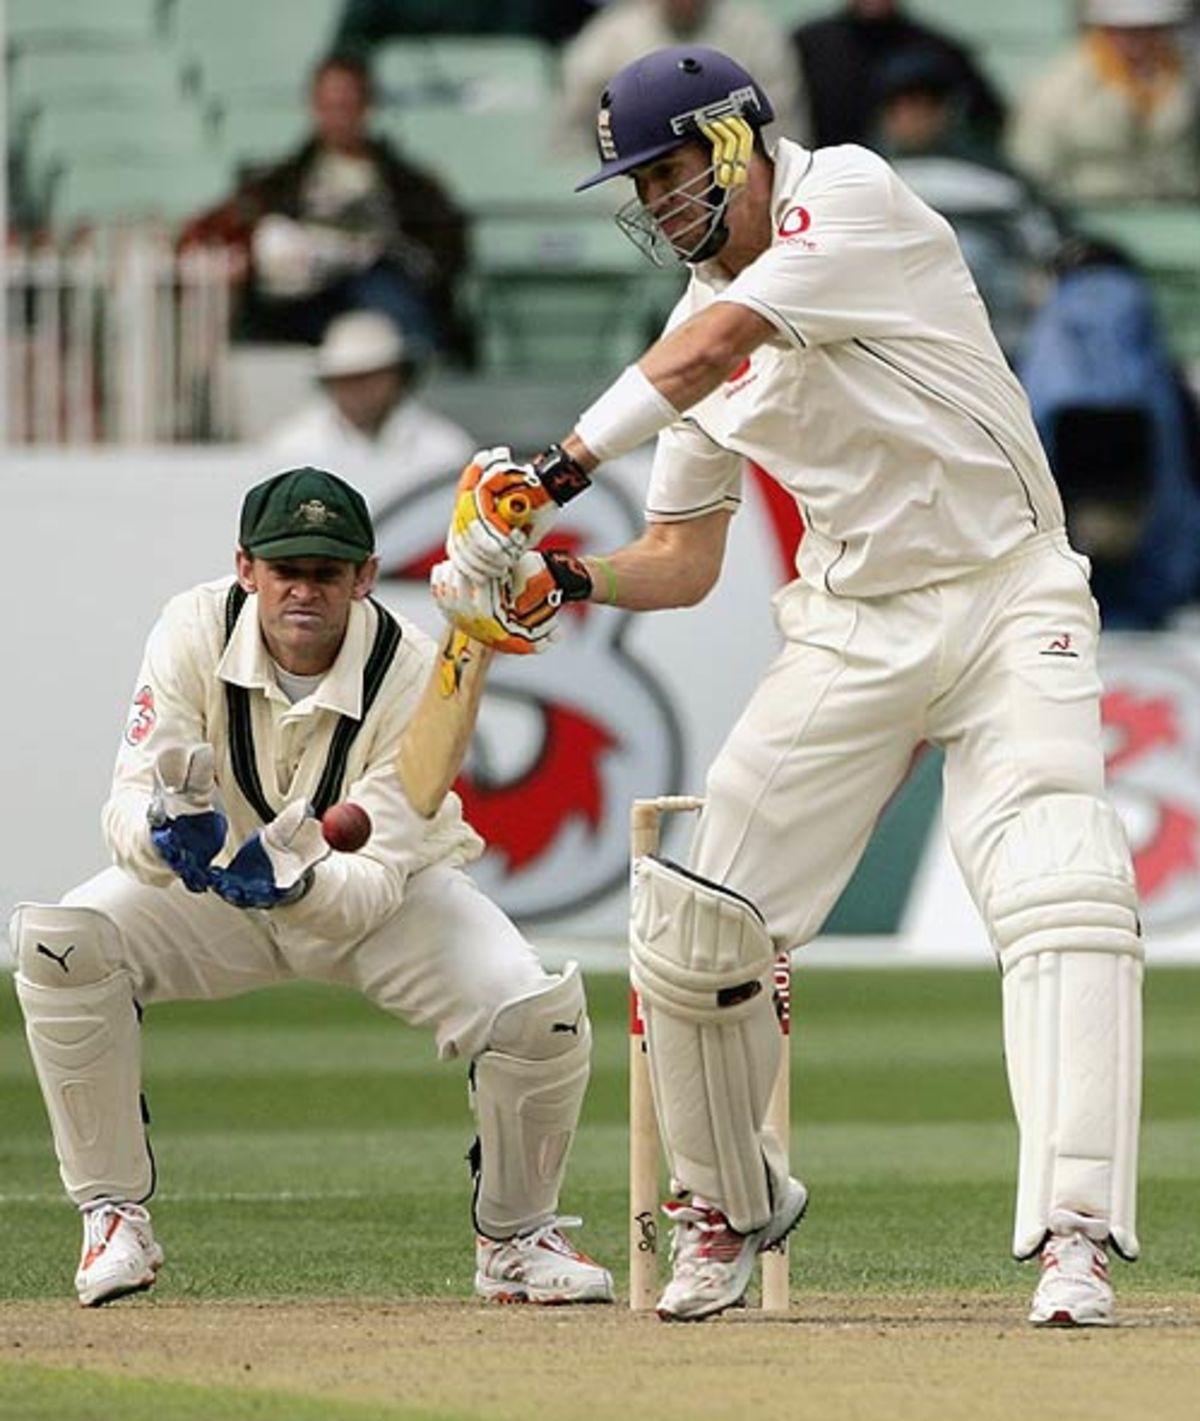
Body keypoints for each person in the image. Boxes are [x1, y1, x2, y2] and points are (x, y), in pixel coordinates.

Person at [431, 46, 1144, 1327]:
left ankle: (1076, 1236)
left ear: (738, 141)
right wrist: (566, 582)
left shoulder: (851, 195)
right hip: (850, 623)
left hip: (1007, 591)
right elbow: (685, 559)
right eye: (638, 187)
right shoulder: (680, 344)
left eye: (669, 170)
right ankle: (721, 1206)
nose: (657, 204)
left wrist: (554, 466)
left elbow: (721, 343)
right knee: (695, 923)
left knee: (1064, 886)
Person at [8, 465, 613, 1310]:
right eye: (285, 569)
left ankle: (516, 1241)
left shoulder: (411, 668)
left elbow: (377, 873)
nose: (304, 591)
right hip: (214, 895)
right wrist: (162, 840)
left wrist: (297, 883)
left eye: (327, 572)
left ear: (364, 577)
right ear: (246, 567)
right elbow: (128, 799)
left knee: (537, 1012)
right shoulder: (191, 627)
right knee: (60, 941)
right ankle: (112, 1218)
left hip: (382, 906)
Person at [178, 53, 472, 364]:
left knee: (387, 294)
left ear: (366, 106)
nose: (338, 116)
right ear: (314, 106)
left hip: (378, 285)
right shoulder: (277, 183)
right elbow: (222, 228)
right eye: (329, 105)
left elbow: (444, 250)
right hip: (299, 297)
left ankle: (418, 374)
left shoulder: (412, 186)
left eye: (347, 104)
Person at [262, 310, 474, 499]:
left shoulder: (446, 449)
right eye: (345, 379)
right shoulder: (292, 447)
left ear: (398, 376)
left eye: (368, 376)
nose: (357, 390)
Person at [1007, 0, 1200, 204]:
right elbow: (1031, 170)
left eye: (1153, 30)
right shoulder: (1056, 90)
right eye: (1126, 31)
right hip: (1091, 215)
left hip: (1178, 213)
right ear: (1103, 30)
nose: (1142, 40)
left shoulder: (1186, 80)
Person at [558, 0, 807, 151]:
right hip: (630, 191)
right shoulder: (608, 37)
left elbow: (782, 133)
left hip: (740, 179)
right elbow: (572, 138)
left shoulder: (755, 32)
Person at [792, 0, 1005, 151]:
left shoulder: (939, 49)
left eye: (919, 104)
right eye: (901, 107)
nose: (910, 115)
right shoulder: (809, 46)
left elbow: (988, 118)